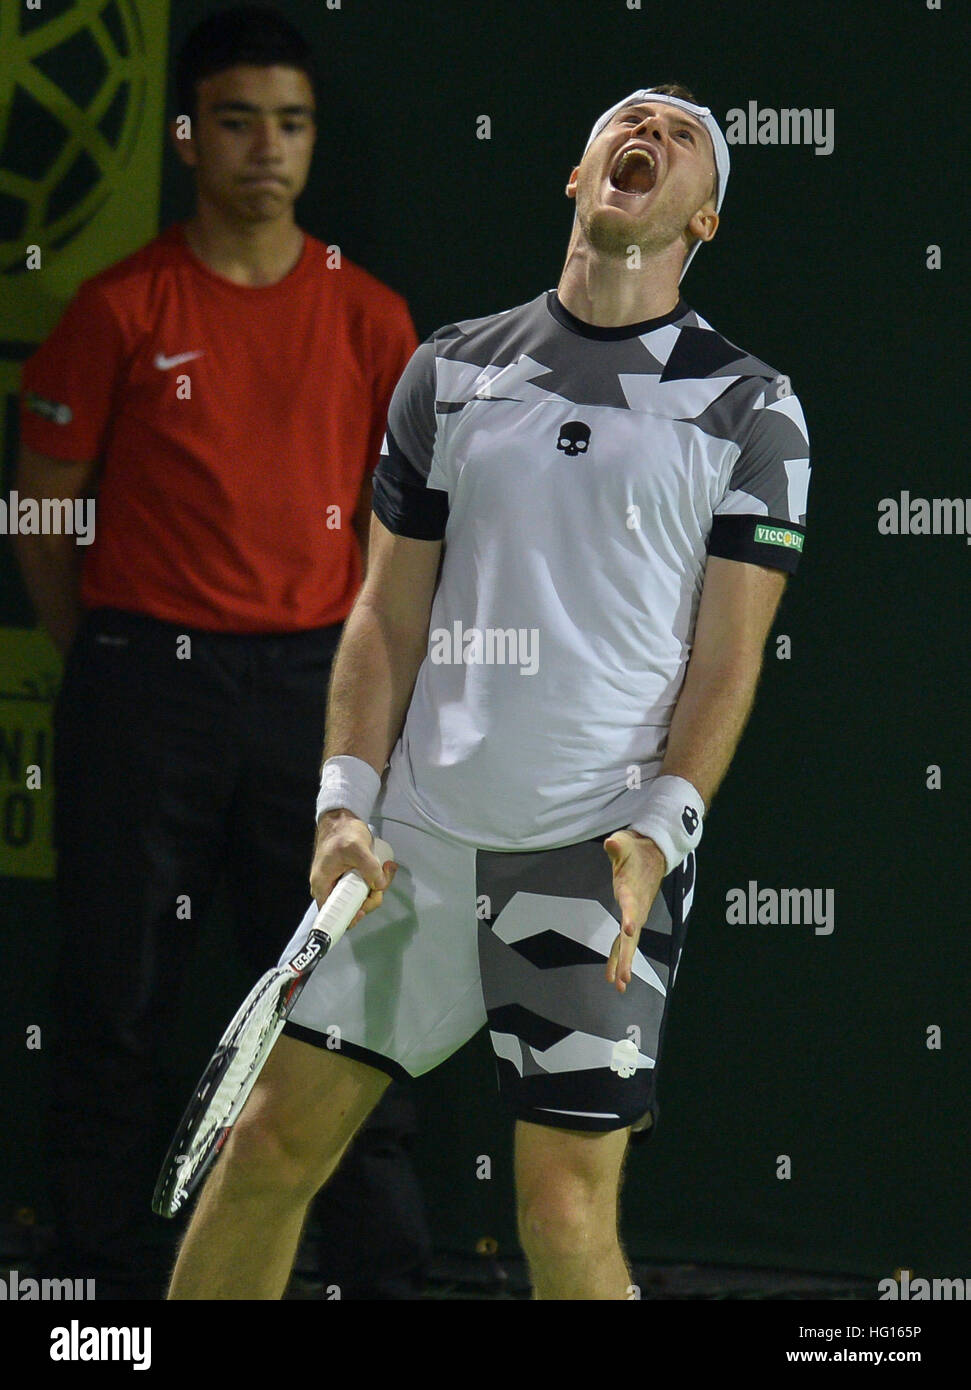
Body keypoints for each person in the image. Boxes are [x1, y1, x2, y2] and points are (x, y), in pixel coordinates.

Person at [166, 81, 813, 1301]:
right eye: (626, 122)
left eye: (684, 140)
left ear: (703, 219)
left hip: (589, 856)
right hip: (413, 840)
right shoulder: (449, 372)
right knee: (266, 1146)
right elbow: (383, 613)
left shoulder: (749, 410)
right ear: (577, 175)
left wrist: (658, 831)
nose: (649, 138)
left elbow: (730, 657)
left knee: (562, 1211)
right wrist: (343, 803)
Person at [15, 5, 430, 1300]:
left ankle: (377, 1272)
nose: (266, 148)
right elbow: (40, 504)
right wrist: (110, 648)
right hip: (143, 689)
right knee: (113, 989)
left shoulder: (369, 317)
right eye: (238, 121)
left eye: (290, 124)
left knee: (342, 996)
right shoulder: (119, 306)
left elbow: (408, 538)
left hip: (313, 699)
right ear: (187, 138)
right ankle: (91, 1276)